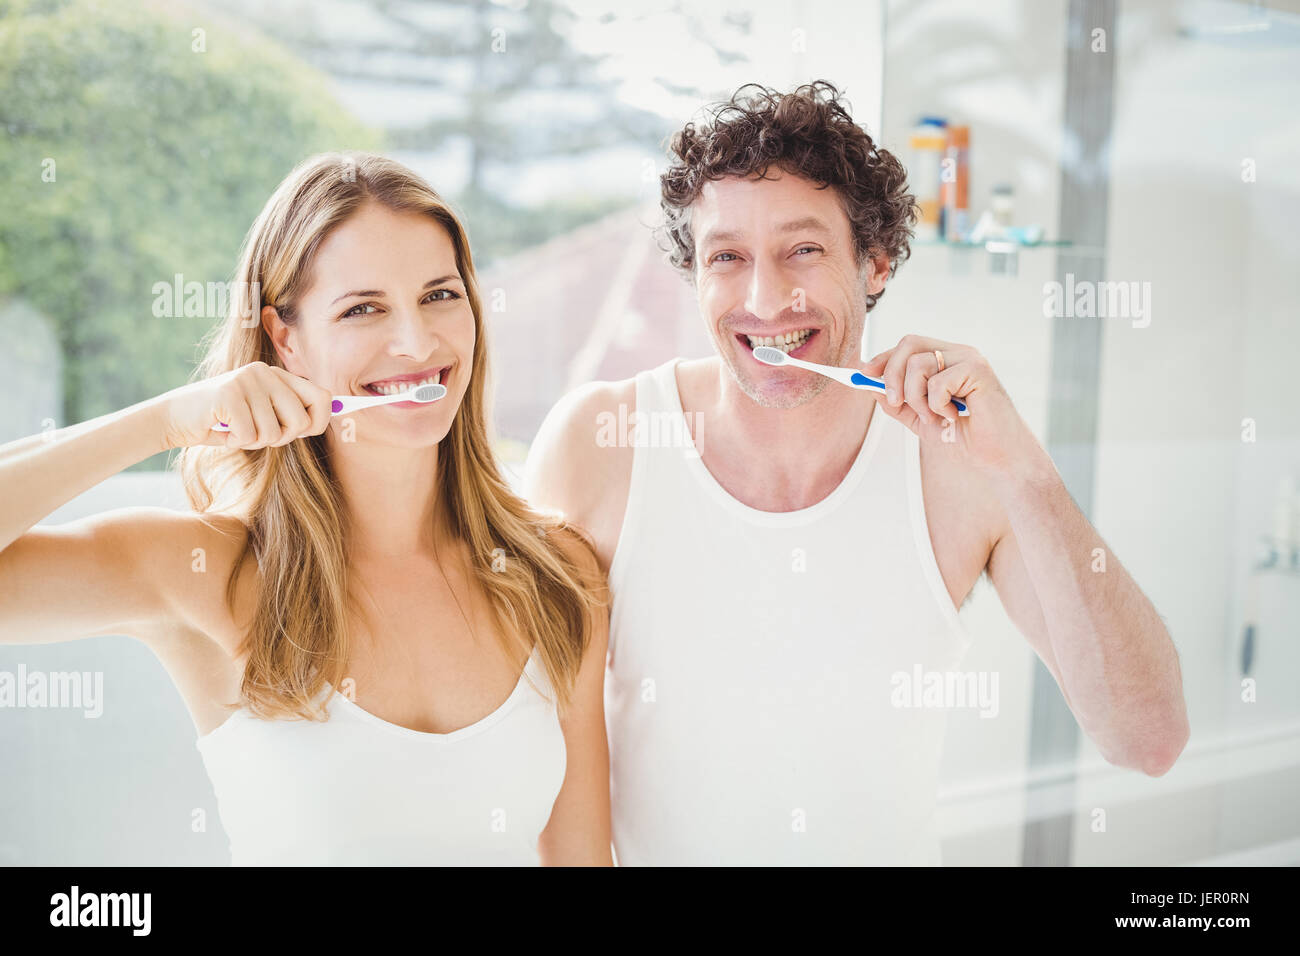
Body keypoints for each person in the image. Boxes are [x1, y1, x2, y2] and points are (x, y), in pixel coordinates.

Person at [523, 80, 1189, 865]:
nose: (765, 299)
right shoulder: (602, 445)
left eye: (802, 249)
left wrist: (1025, 473)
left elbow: (1147, 738)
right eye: (727, 257)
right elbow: (541, 753)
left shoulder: (958, 464)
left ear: (874, 262)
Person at [0, 152, 612, 866]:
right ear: (285, 339)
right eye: (363, 308)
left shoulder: (556, 577)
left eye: (440, 295)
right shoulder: (205, 575)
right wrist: (163, 421)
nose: (416, 343)